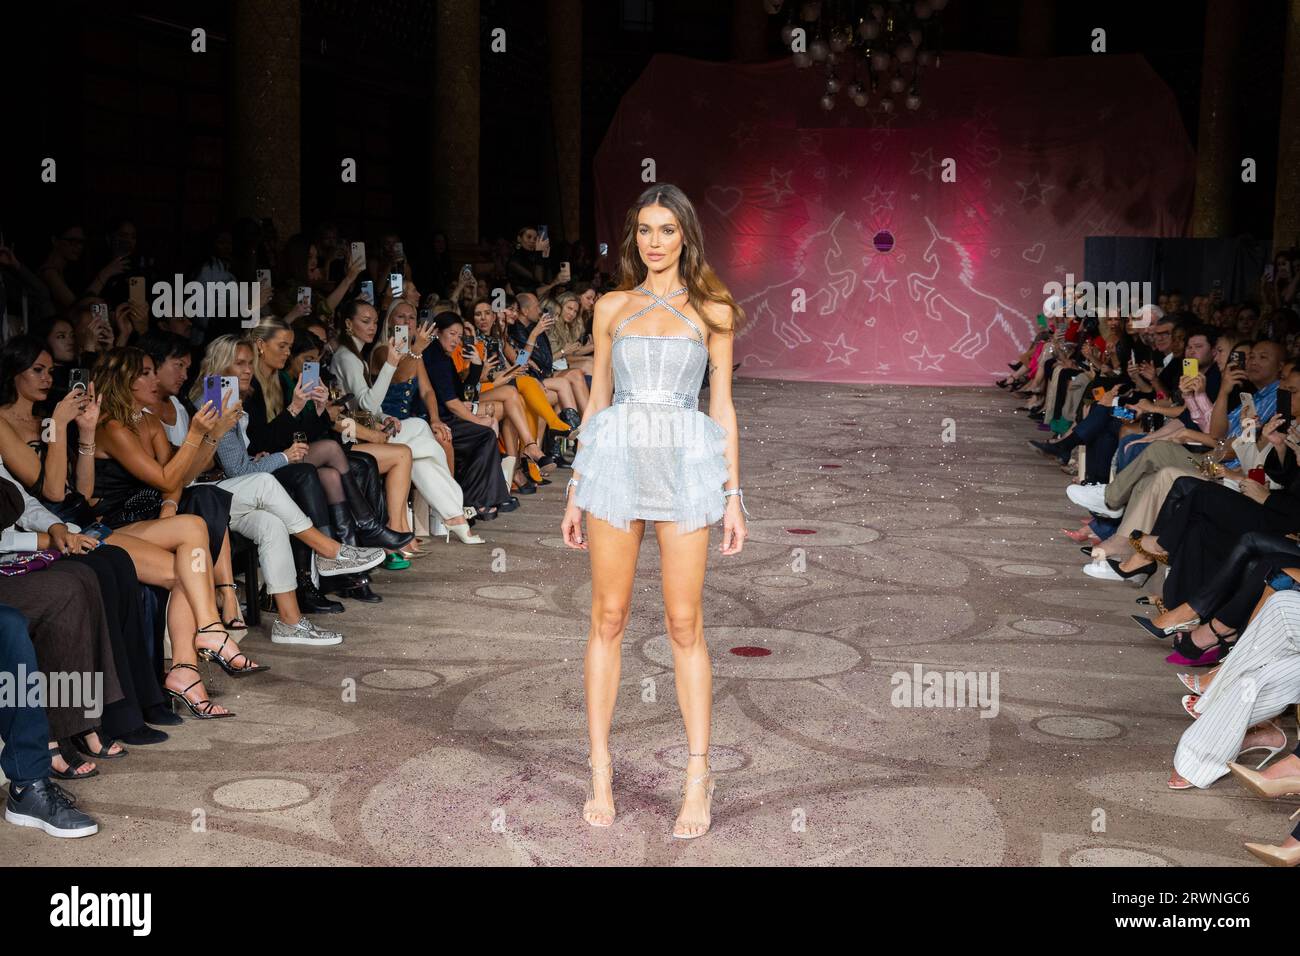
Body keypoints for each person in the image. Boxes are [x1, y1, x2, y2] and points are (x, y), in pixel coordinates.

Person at [560, 183, 750, 839]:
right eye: (645, 230)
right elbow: (597, 398)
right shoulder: (611, 306)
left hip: (684, 464)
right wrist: (575, 484)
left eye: (668, 230)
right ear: (634, 238)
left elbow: (721, 407)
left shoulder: (713, 309)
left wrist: (733, 494)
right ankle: (600, 767)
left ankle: (698, 775)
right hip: (616, 461)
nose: (656, 241)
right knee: (607, 616)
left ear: (686, 236)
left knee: (682, 621)